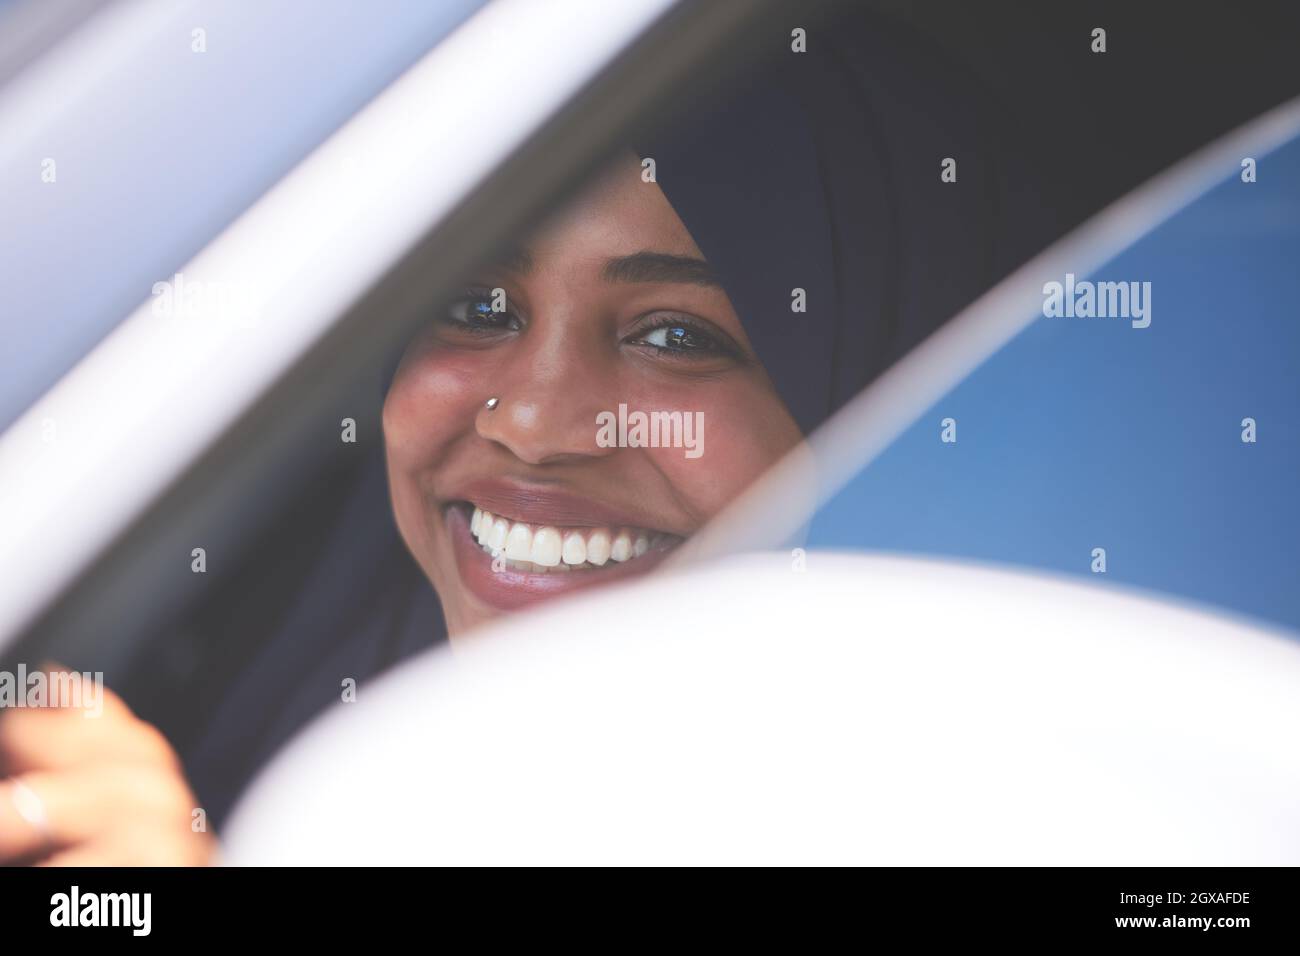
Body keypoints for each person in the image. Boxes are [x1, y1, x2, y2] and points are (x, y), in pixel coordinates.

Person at [0, 12, 1045, 863]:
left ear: (880, 385)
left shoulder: (999, 804)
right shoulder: (297, 653)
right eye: (478, 306)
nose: (535, 425)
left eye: (676, 334)